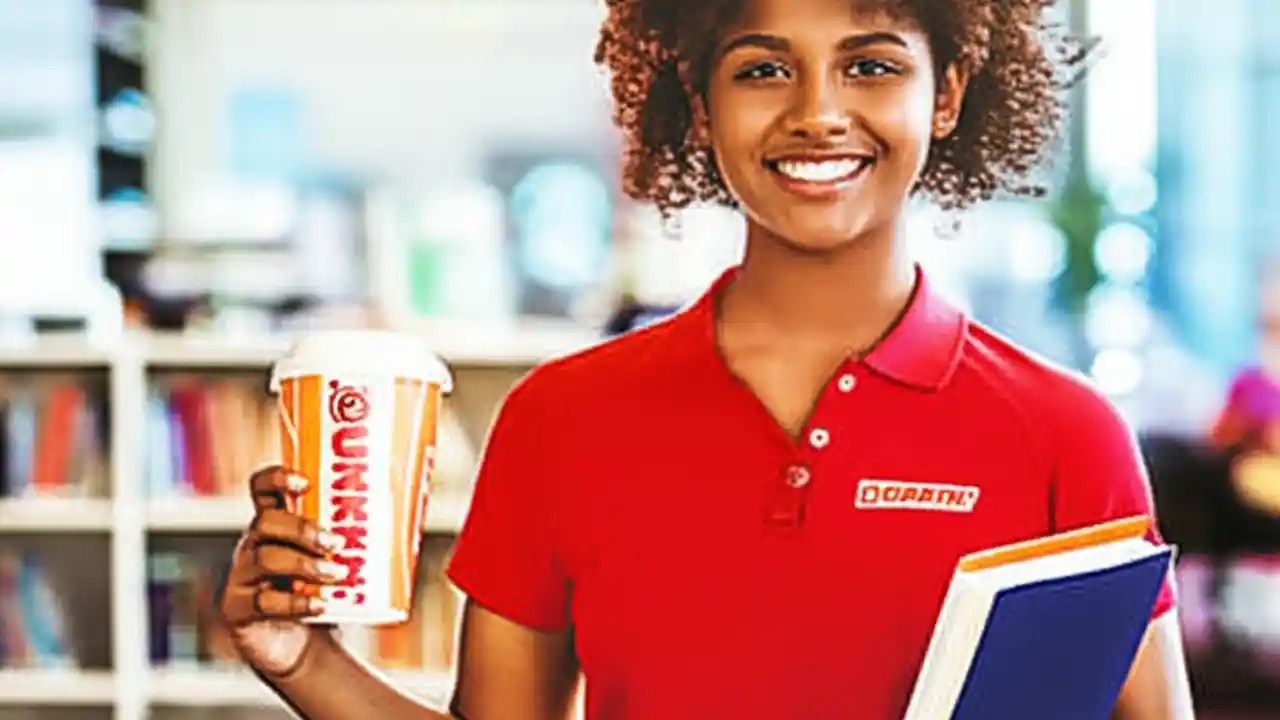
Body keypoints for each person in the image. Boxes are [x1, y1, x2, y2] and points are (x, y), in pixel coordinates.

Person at [219, 0, 1196, 717]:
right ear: (697, 100)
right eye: (763, 69)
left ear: (943, 95)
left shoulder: (1065, 435)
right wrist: (302, 660)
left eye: (869, 66)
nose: (816, 112)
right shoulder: (562, 419)